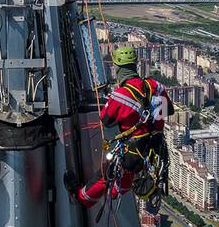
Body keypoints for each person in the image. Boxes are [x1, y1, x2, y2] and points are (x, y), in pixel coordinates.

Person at [71, 45, 170, 208]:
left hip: (133, 148)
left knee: (106, 174)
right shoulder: (156, 87)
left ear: (117, 68)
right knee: (128, 170)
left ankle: (82, 198)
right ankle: (117, 193)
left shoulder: (120, 96)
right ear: (135, 65)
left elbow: (106, 120)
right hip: (154, 147)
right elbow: (166, 111)